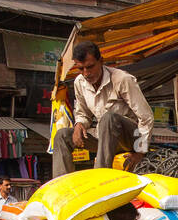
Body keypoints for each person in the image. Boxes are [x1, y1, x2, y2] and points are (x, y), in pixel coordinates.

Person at [49, 40, 154, 176]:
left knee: (108, 118)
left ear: (101, 61)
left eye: (90, 67)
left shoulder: (122, 79)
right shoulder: (79, 82)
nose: (86, 73)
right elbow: (82, 113)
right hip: (103, 138)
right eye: (81, 69)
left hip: (130, 137)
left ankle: (99, 177)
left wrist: (140, 152)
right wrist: (79, 124)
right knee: (62, 135)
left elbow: (146, 117)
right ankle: (61, 187)